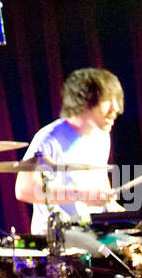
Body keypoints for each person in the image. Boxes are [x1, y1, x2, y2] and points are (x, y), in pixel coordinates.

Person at [15, 68, 124, 235]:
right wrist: (82, 195)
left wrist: (112, 207)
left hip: (93, 232)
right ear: (85, 101)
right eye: (108, 100)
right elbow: (24, 190)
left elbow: (100, 184)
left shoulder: (102, 136)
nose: (115, 108)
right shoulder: (48, 139)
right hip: (58, 238)